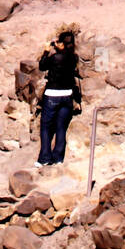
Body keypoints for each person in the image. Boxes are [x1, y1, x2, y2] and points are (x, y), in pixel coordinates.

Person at [36, 30, 81, 167]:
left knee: (46, 127)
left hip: (52, 95)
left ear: (61, 43)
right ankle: (58, 158)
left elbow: (42, 66)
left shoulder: (55, 58)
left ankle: (44, 158)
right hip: (67, 95)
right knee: (61, 127)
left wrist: (45, 51)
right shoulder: (74, 57)